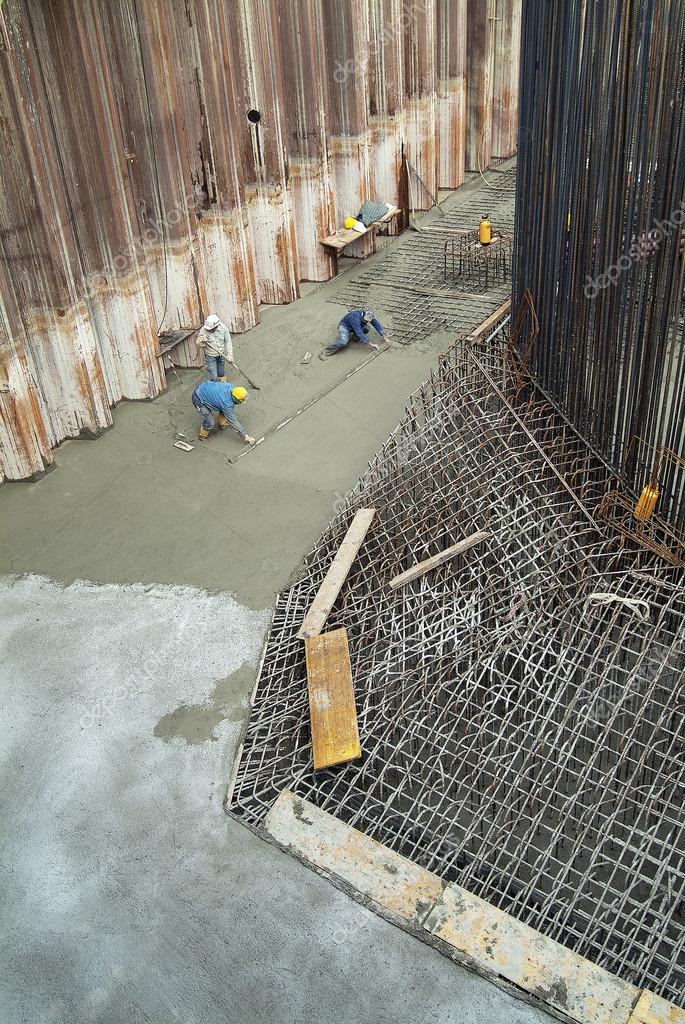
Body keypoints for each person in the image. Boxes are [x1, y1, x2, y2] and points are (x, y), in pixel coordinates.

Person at [191, 380, 256, 444]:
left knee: (226, 410)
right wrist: (245, 436)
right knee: (209, 422)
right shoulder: (226, 404)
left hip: (207, 388)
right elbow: (233, 421)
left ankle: (222, 424)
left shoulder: (233, 388)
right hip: (198, 397)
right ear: (236, 399)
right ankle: (202, 435)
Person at [320, 308, 389, 358]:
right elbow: (359, 332)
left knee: (367, 328)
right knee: (343, 342)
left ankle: (354, 337)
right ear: (363, 315)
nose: (366, 322)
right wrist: (371, 344)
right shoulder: (355, 317)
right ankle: (325, 352)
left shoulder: (369, 315)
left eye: (368, 321)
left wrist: (384, 335)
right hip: (345, 327)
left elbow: (376, 324)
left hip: (356, 326)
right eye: (365, 320)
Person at [196, 313, 234, 380]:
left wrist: (230, 354)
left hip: (221, 354)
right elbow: (199, 342)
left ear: (217, 326)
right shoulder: (203, 329)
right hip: (210, 356)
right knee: (214, 375)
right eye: (208, 329)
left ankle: (222, 387)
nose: (209, 330)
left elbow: (228, 342)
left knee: (221, 373)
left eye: (211, 329)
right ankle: (214, 386)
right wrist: (200, 342)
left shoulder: (223, 329)